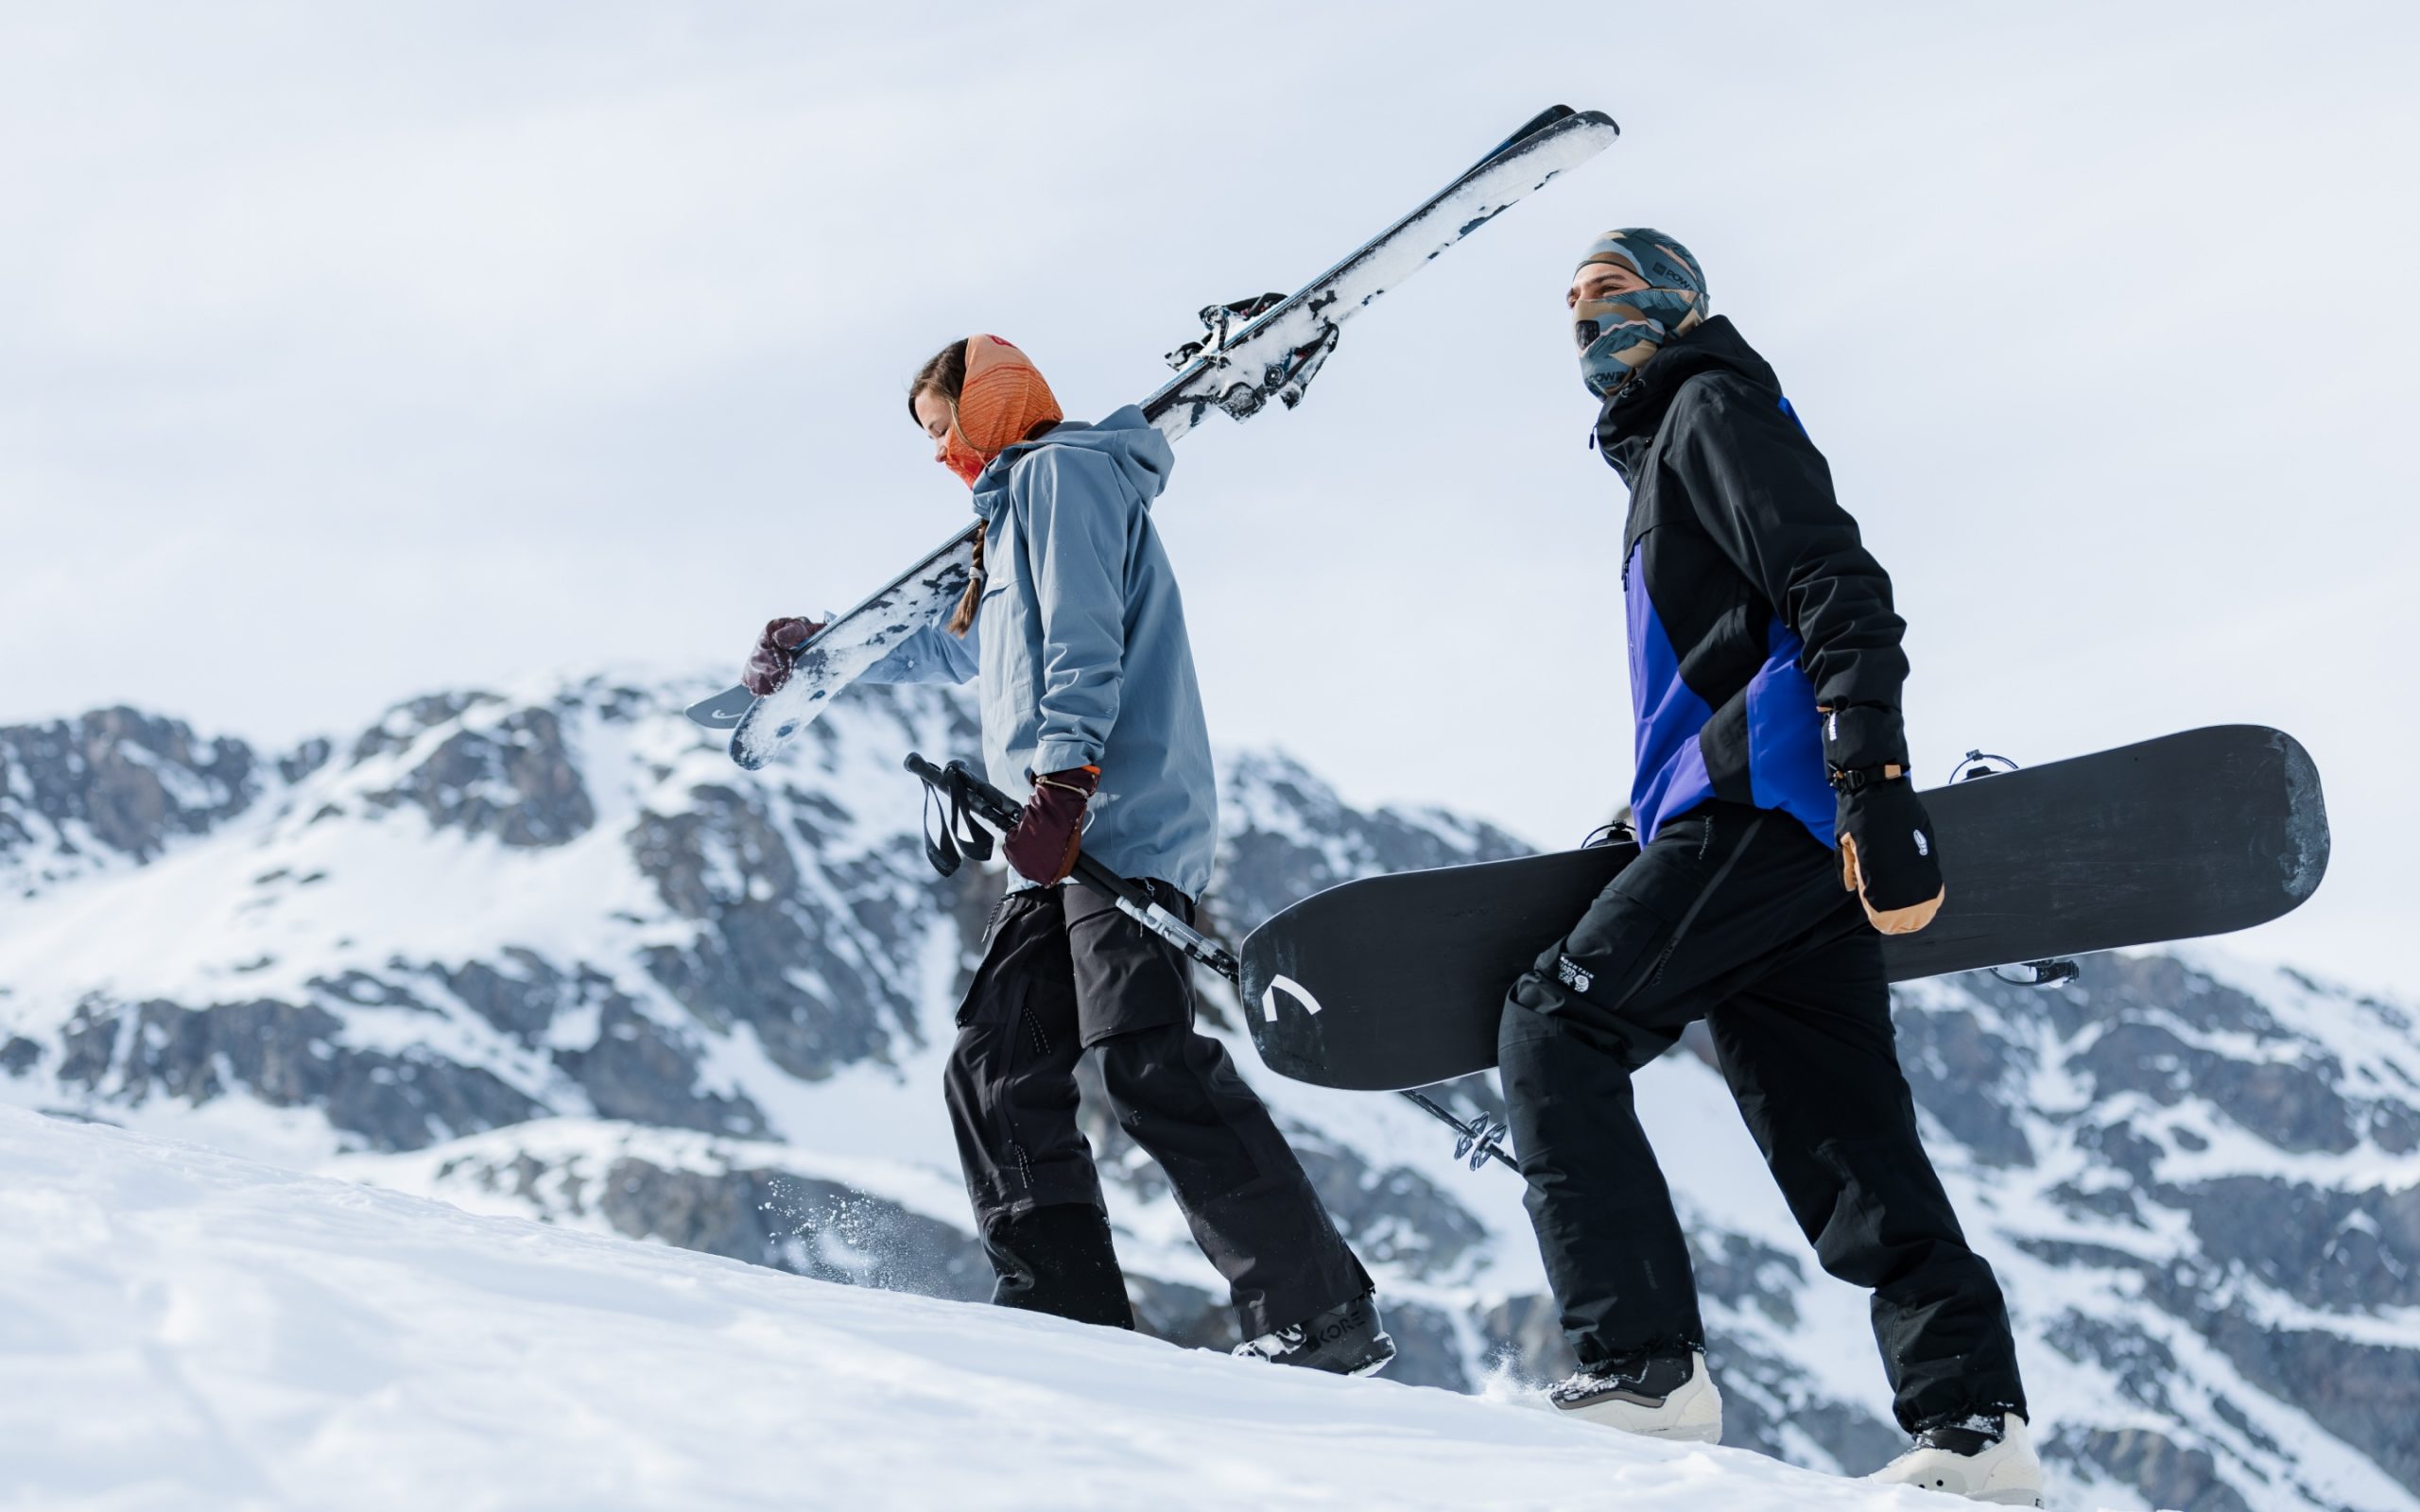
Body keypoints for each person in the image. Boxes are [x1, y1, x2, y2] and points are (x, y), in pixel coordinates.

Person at [1497, 231, 2041, 1505]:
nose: (1589, 323)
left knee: (1554, 1028)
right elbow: (1726, 667)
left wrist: (1879, 787)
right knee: (1845, 1142)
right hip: (1779, 831)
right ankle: (1973, 1426)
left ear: (1683, 304)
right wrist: (1645, 818)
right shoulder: (1677, 441)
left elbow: (1839, 587)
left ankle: (1641, 1367)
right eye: (1572, 308)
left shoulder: (1709, 407)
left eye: (1615, 295)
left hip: (1771, 810)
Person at [741, 335, 1392, 1375]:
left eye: (942, 427)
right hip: (1051, 844)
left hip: (1115, 820)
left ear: (989, 402)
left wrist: (1066, 784)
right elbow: (962, 649)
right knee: (993, 1065)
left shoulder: (1062, 476)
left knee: (1143, 1059)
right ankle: (1065, 1308)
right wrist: (823, 651)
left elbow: (1087, 636)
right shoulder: (1005, 524)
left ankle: (1316, 1311)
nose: (941, 454)